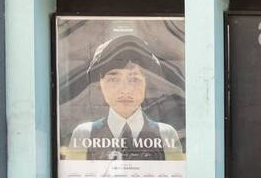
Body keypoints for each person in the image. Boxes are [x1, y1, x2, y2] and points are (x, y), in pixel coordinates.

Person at [62, 34, 184, 162]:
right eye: (113, 79)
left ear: (146, 84)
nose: (125, 90)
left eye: (134, 79)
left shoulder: (166, 134)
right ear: (100, 85)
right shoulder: (84, 134)